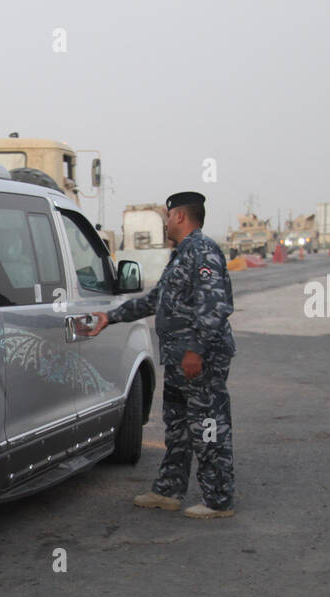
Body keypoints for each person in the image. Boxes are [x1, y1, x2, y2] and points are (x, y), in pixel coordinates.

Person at [86, 191, 236, 518]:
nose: (166, 222)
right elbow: (155, 301)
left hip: (199, 359)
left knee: (208, 427)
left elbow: (214, 308)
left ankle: (218, 500)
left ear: (180, 216)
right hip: (179, 359)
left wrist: (196, 351)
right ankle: (169, 490)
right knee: (178, 426)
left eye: (168, 216)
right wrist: (111, 316)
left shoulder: (202, 251)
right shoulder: (181, 255)